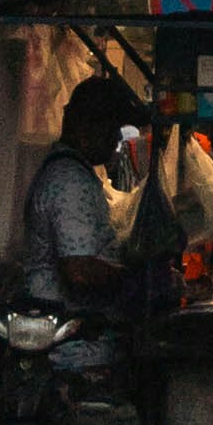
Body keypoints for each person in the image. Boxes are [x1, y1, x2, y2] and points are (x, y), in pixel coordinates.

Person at [23, 76, 147, 314]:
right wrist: (135, 280)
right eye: (112, 128)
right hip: (72, 343)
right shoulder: (70, 180)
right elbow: (78, 269)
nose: (117, 139)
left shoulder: (72, 172)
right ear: (84, 127)